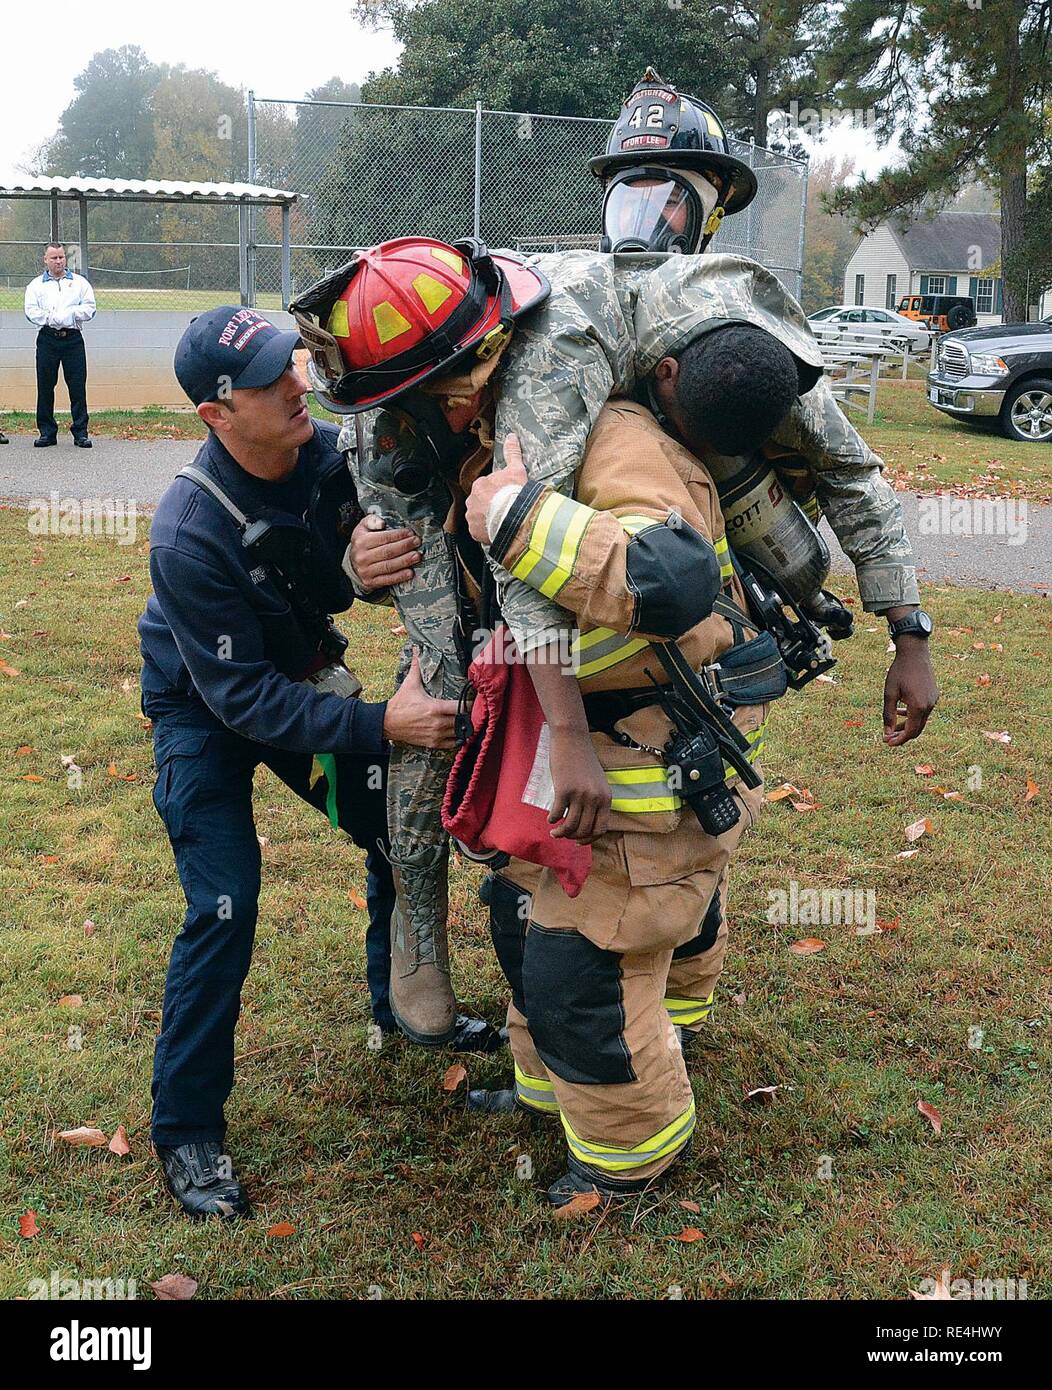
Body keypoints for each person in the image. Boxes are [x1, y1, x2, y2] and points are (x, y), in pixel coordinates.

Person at [138, 305, 483, 1220]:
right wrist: (384, 724)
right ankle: (187, 1133)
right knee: (224, 904)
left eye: (294, 366)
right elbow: (242, 701)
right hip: (204, 716)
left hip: (297, 670)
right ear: (217, 414)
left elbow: (359, 547)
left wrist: (362, 560)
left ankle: (399, 1010)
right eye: (269, 383)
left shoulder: (330, 452)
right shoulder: (187, 529)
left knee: (391, 834)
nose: (299, 387)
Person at [23, 242, 96, 448]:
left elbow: (90, 308)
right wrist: (50, 318)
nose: (58, 261)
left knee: (77, 386)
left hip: (73, 339)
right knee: (45, 386)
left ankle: (80, 432)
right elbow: (31, 311)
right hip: (48, 339)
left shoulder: (79, 283)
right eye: (53, 258)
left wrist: (71, 314)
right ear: (45, 260)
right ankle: (47, 432)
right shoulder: (36, 285)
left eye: (61, 257)